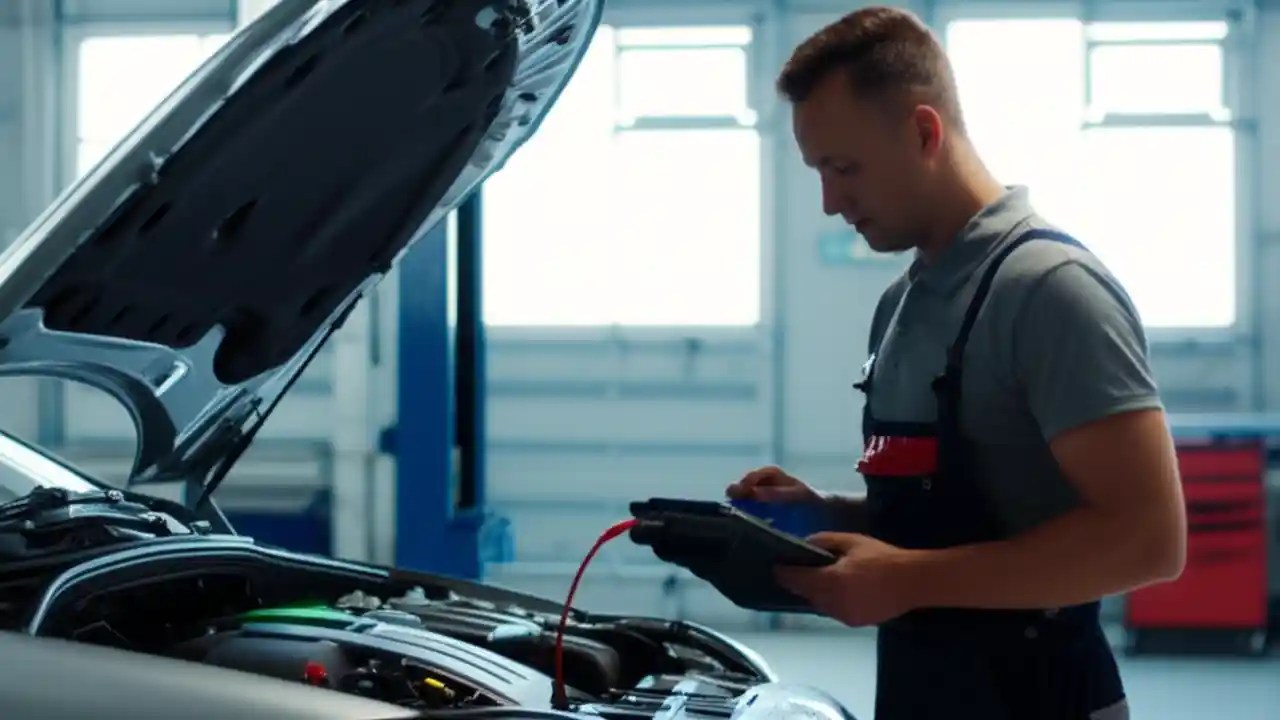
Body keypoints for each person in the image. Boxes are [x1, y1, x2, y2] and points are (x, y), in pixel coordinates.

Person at [725, 6, 1187, 720]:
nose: (828, 201)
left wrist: (908, 580)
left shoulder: (1052, 292)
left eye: (844, 168)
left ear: (923, 131)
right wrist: (826, 511)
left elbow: (1150, 541)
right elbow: (961, 511)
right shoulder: (899, 305)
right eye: (819, 171)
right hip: (922, 693)